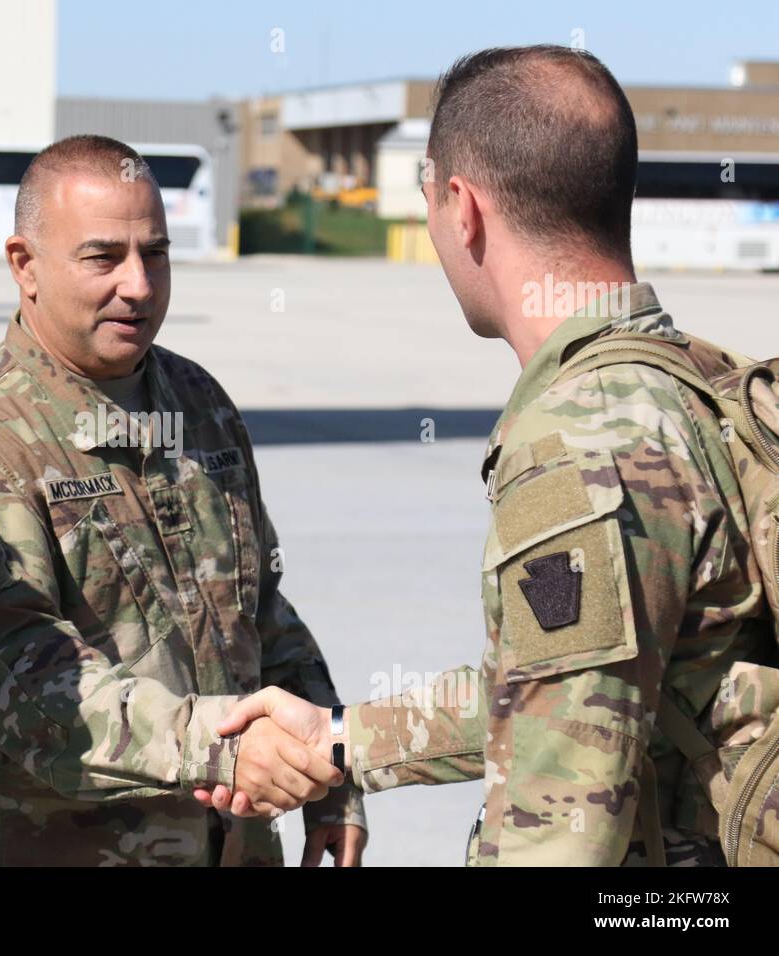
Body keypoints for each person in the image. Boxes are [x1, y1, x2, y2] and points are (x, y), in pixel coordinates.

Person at [202, 45, 777, 866]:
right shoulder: (693, 379)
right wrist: (338, 739)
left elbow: (560, 817)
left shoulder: (580, 439)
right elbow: (568, 685)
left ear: (463, 209)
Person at [0, 134, 366, 866]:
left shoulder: (199, 403)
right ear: (25, 266)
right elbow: (27, 685)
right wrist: (222, 749)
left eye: (157, 254)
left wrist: (329, 769)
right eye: (103, 257)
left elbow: (261, 609)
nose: (139, 285)